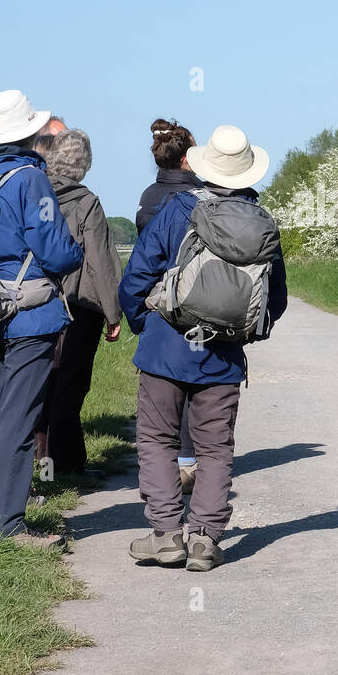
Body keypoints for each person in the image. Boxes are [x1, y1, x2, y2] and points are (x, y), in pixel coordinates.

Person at [119, 125, 287, 570]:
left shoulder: (176, 210)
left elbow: (136, 278)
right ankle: (204, 540)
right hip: (223, 356)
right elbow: (276, 299)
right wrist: (239, 332)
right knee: (215, 448)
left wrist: (146, 325)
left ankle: (166, 535)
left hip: (166, 347)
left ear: (206, 166)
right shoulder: (262, 223)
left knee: (156, 439)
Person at [0, 90, 84, 545]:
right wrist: (74, 253)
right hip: (27, 315)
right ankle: (10, 527)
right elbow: (55, 250)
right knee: (18, 420)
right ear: (30, 132)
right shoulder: (30, 179)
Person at [35, 128, 123, 474]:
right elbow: (101, 262)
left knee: (42, 381)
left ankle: (41, 461)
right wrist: (113, 314)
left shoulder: (33, 194)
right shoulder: (87, 203)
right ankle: (67, 463)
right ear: (85, 164)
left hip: (35, 303)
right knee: (71, 384)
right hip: (79, 308)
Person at [134, 119, 200, 495]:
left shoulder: (148, 196)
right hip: (196, 299)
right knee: (193, 383)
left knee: (161, 388)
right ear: (188, 158)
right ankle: (188, 461)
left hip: (157, 301)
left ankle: (161, 465)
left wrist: (137, 314)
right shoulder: (199, 196)